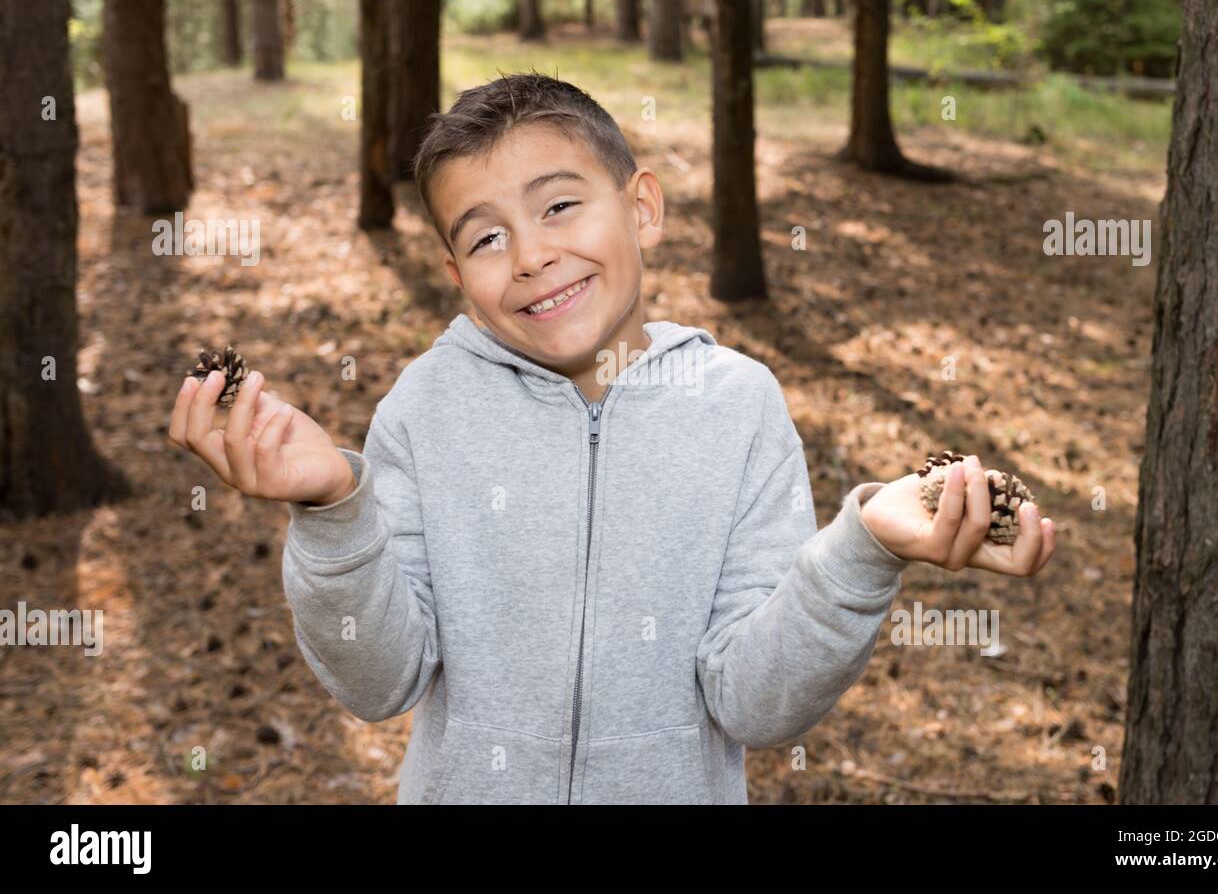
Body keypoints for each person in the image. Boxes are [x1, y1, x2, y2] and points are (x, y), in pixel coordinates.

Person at [168, 72, 1054, 804]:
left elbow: (755, 701)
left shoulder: (737, 405)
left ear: (643, 209)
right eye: (486, 236)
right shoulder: (423, 411)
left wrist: (862, 553)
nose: (529, 255)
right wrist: (332, 511)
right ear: (456, 276)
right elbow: (377, 683)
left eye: (559, 206)